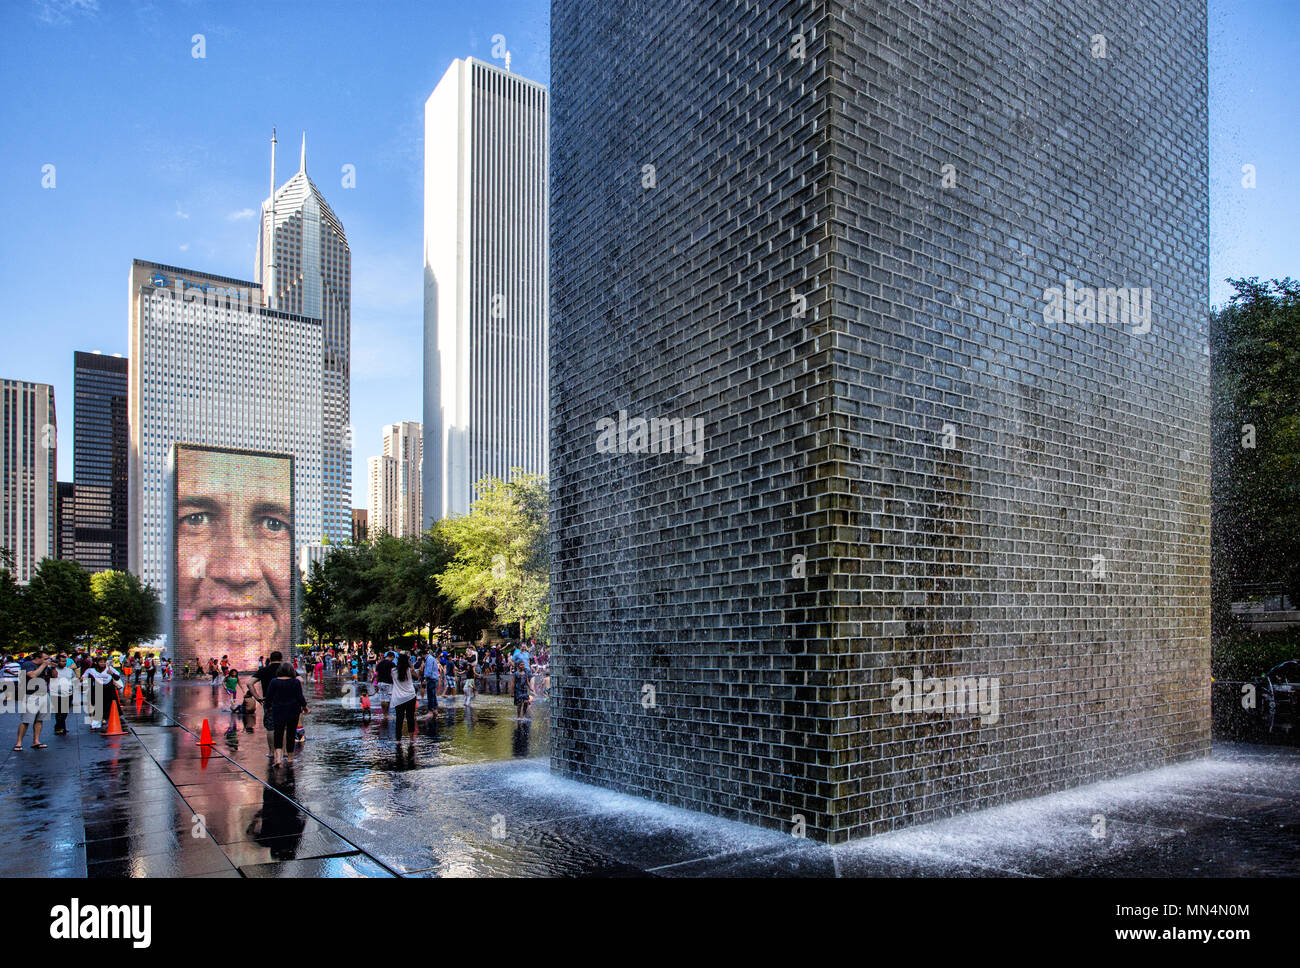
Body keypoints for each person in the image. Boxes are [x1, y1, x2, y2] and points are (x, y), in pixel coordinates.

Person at [265, 662, 308, 766]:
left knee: (278, 733)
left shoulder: (274, 682)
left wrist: (267, 708)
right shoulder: (295, 682)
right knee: (290, 734)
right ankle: (290, 758)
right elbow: (300, 697)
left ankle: (278, 758)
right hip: (293, 710)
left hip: (278, 710)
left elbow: (269, 697)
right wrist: (305, 707)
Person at [248, 649, 285, 759]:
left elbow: (249, 683)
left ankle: (272, 752)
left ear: (271, 659)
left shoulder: (264, 670)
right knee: (285, 727)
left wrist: (257, 697)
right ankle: (285, 752)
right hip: (285, 701)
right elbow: (300, 680)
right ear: (281, 659)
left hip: (269, 701)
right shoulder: (286, 669)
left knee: (270, 727)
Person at [13, 650, 54, 750]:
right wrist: (44, 665)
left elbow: (55, 676)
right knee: (26, 720)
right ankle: (18, 743)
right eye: (45, 659)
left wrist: (52, 668)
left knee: (40, 719)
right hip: (30, 695)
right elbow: (32, 675)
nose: (47, 660)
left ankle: (36, 741)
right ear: (37, 658)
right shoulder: (28, 664)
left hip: (44, 694)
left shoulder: (44, 666)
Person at [82, 655, 122, 731]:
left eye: (104, 662)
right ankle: (94, 725)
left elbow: (117, 677)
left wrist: (112, 673)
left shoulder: (110, 669)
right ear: (96, 663)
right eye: (101, 662)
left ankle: (108, 723)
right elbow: (84, 677)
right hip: (98, 690)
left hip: (109, 691)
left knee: (110, 707)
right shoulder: (91, 670)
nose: (103, 664)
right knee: (98, 708)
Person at [391, 653, 417, 741]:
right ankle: (411, 739)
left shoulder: (393, 671)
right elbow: (416, 678)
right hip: (410, 696)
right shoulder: (409, 670)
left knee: (399, 719)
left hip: (398, 698)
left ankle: (398, 740)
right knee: (410, 717)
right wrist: (411, 666)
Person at [373, 650, 395, 717]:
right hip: (388, 682)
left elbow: (376, 674)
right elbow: (393, 674)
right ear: (391, 656)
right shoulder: (391, 664)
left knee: (382, 699)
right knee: (387, 699)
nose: (393, 659)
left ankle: (384, 714)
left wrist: (376, 685)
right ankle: (386, 714)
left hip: (380, 682)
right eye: (393, 658)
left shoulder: (380, 663)